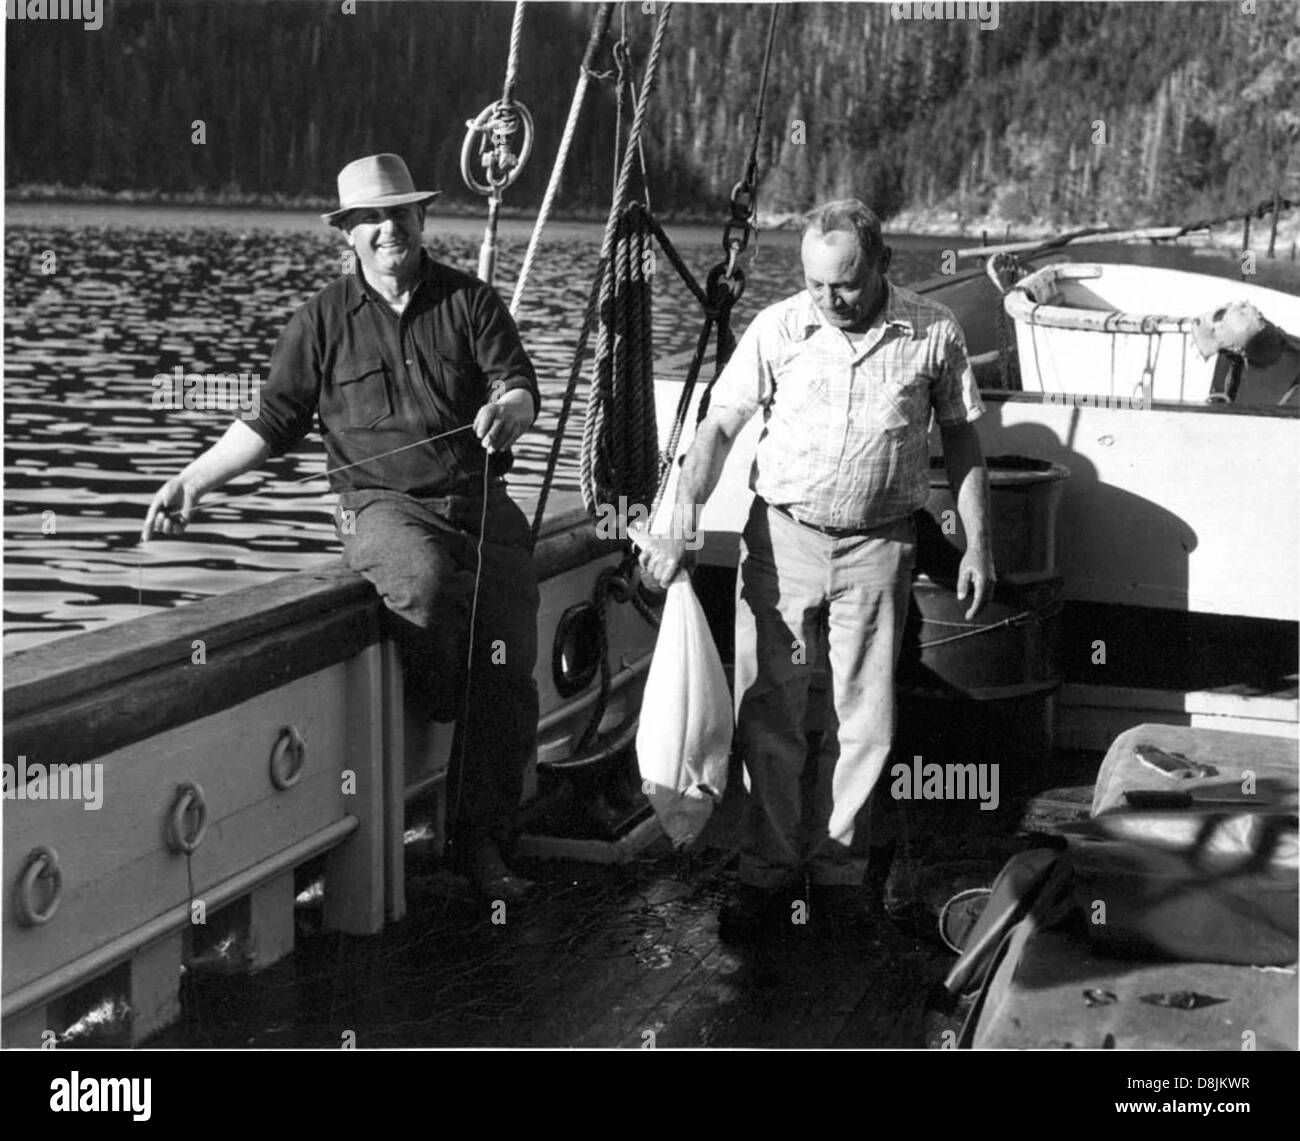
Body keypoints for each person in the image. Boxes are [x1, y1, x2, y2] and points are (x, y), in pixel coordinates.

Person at [142, 153, 542, 904]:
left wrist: (512, 408)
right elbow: (270, 421)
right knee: (419, 584)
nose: (388, 228)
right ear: (348, 234)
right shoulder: (321, 320)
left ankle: (483, 842)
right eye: (370, 219)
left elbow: (518, 384)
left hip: (482, 507)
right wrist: (192, 479)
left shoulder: (471, 301)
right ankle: (443, 701)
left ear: (423, 219)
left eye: (400, 214)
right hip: (382, 509)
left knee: (508, 668)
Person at [639, 198, 995, 935]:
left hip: (880, 543)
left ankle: (838, 871)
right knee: (771, 709)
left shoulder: (933, 333)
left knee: (862, 718)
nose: (831, 300)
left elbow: (961, 440)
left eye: (847, 284)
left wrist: (978, 542)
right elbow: (718, 429)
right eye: (816, 284)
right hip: (783, 540)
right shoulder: (779, 327)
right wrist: (680, 516)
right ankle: (766, 869)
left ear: (883, 266)